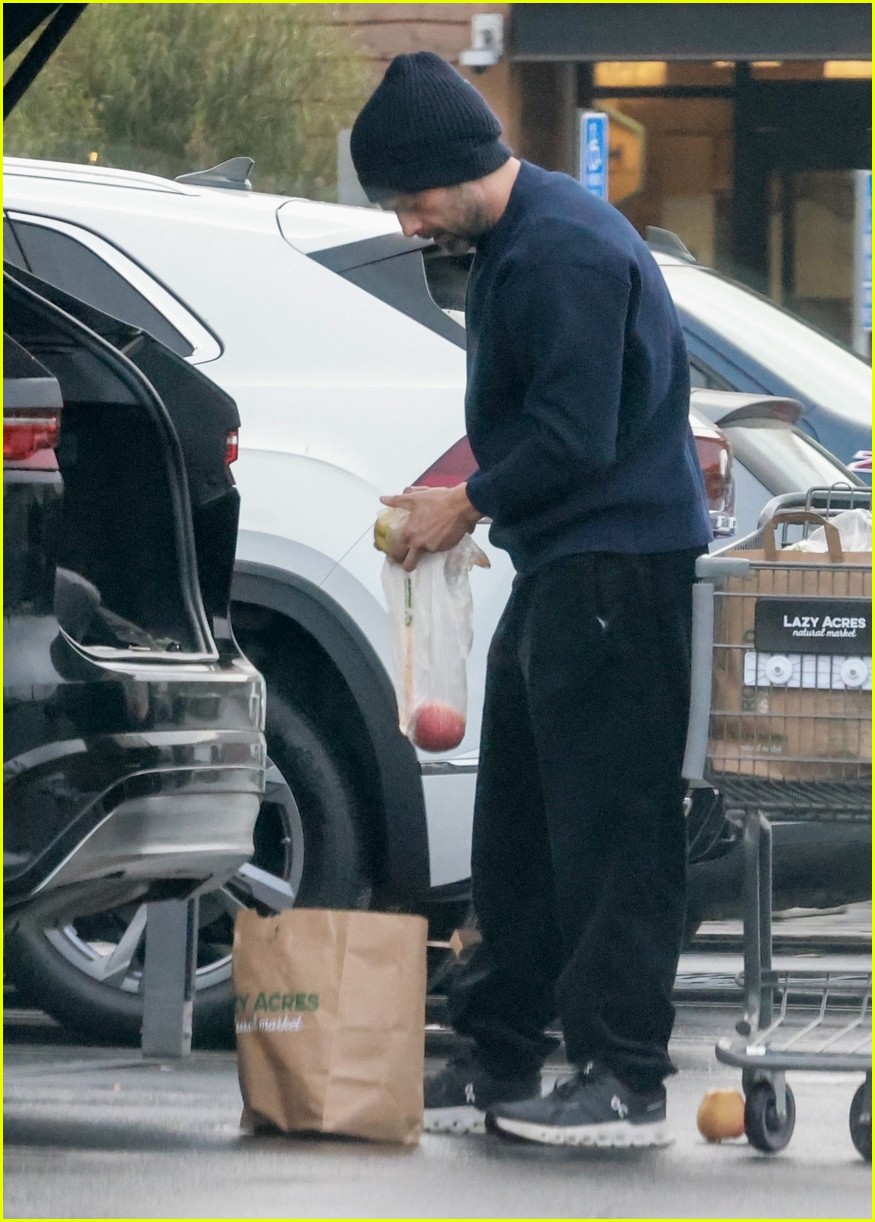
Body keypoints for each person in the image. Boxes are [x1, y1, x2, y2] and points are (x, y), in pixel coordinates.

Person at [351, 52, 712, 1148]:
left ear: (457, 167)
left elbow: (572, 434)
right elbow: (537, 430)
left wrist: (462, 508)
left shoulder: (560, 251)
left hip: (618, 569)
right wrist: (462, 491)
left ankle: (624, 1075)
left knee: (607, 829)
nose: (410, 225)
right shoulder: (521, 238)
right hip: (567, 566)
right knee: (517, 823)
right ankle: (499, 1047)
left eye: (410, 199)